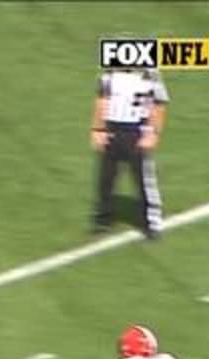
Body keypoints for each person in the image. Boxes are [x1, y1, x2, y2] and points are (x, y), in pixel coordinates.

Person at [90, 67, 168, 239]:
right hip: (112, 130)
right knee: (105, 178)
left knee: (144, 180)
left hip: (137, 131)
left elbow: (159, 105)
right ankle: (103, 218)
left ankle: (152, 222)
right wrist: (98, 129)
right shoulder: (109, 74)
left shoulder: (150, 75)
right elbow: (101, 100)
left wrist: (153, 133)